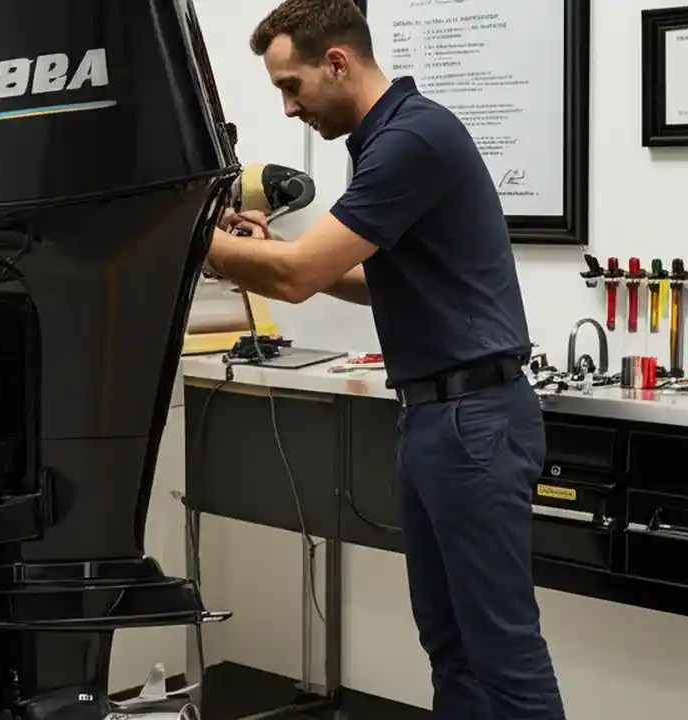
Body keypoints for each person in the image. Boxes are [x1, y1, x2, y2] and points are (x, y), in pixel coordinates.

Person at [204, 1, 567, 718]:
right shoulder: (383, 139)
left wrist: (190, 240)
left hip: (473, 422)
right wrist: (275, 255)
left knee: (501, 653)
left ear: (337, 62)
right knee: (450, 647)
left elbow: (297, 279)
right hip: (436, 419)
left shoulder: (412, 139)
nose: (288, 108)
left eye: (291, 86)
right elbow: (371, 277)